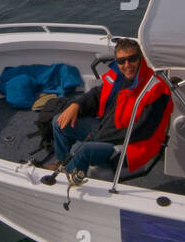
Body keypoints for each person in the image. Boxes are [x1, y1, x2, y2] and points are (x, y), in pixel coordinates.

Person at [44, 38, 172, 187]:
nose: (127, 65)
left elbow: (141, 130)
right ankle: (62, 164)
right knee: (59, 122)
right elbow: (97, 94)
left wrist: (99, 136)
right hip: (106, 129)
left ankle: (65, 181)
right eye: (121, 61)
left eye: (132, 59)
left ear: (141, 59)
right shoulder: (120, 77)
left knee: (84, 150)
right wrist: (76, 105)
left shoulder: (155, 90)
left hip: (130, 145)